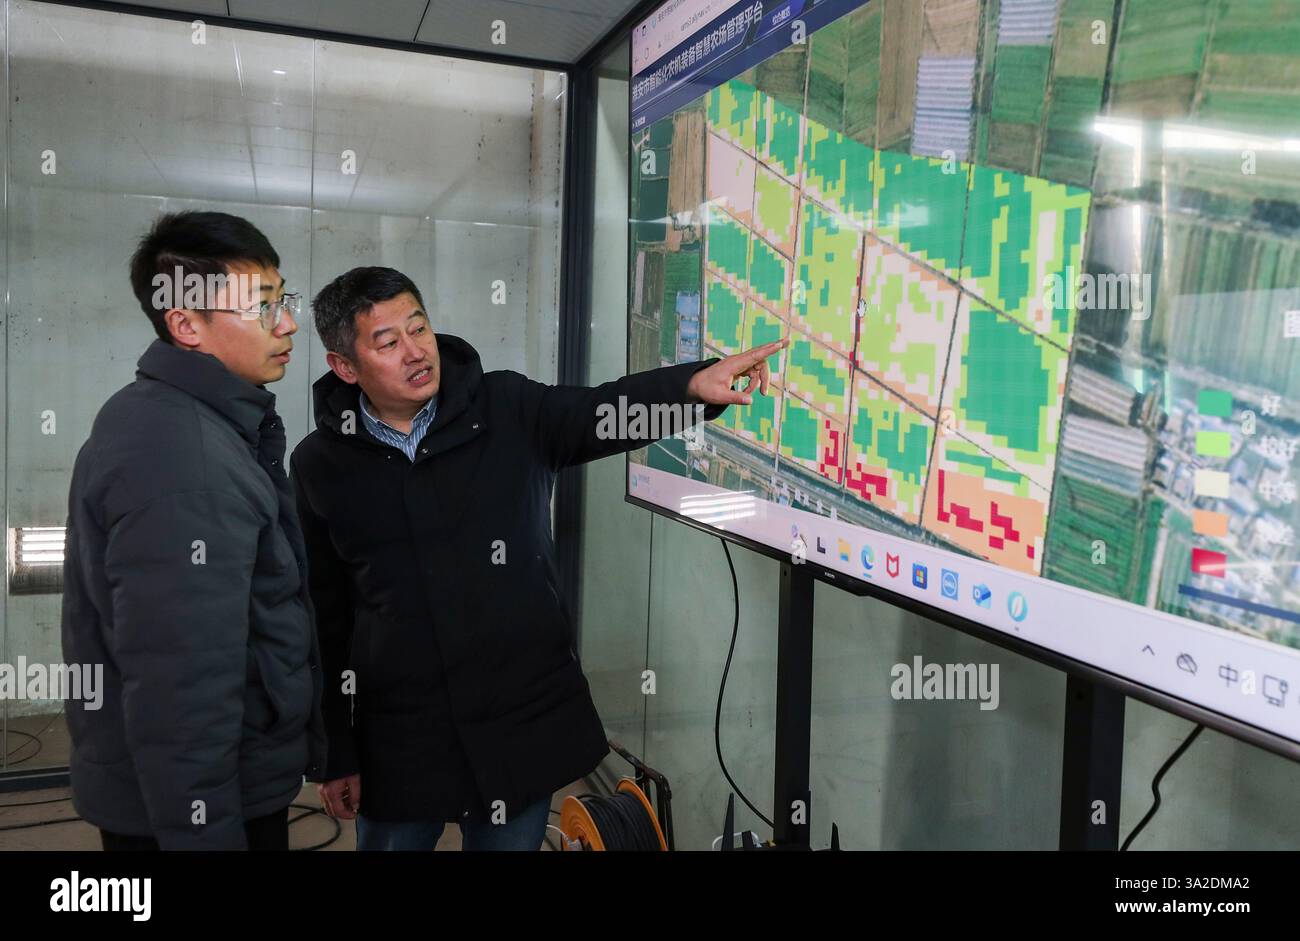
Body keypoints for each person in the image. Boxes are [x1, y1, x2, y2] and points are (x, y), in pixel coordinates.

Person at [292, 265, 783, 850]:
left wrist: (690, 390)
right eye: (388, 342)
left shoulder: (505, 408)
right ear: (345, 367)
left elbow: (604, 411)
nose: (416, 352)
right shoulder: (322, 464)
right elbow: (323, 616)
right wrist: (334, 751)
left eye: (418, 328)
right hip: (399, 732)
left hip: (518, 715)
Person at [61, 211, 325, 850]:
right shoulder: (186, 458)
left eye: (282, 298)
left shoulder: (166, 415)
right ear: (186, 324)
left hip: (203, 781)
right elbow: (182, 688)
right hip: (197, 801)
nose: (288, 323)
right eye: (262, 307)